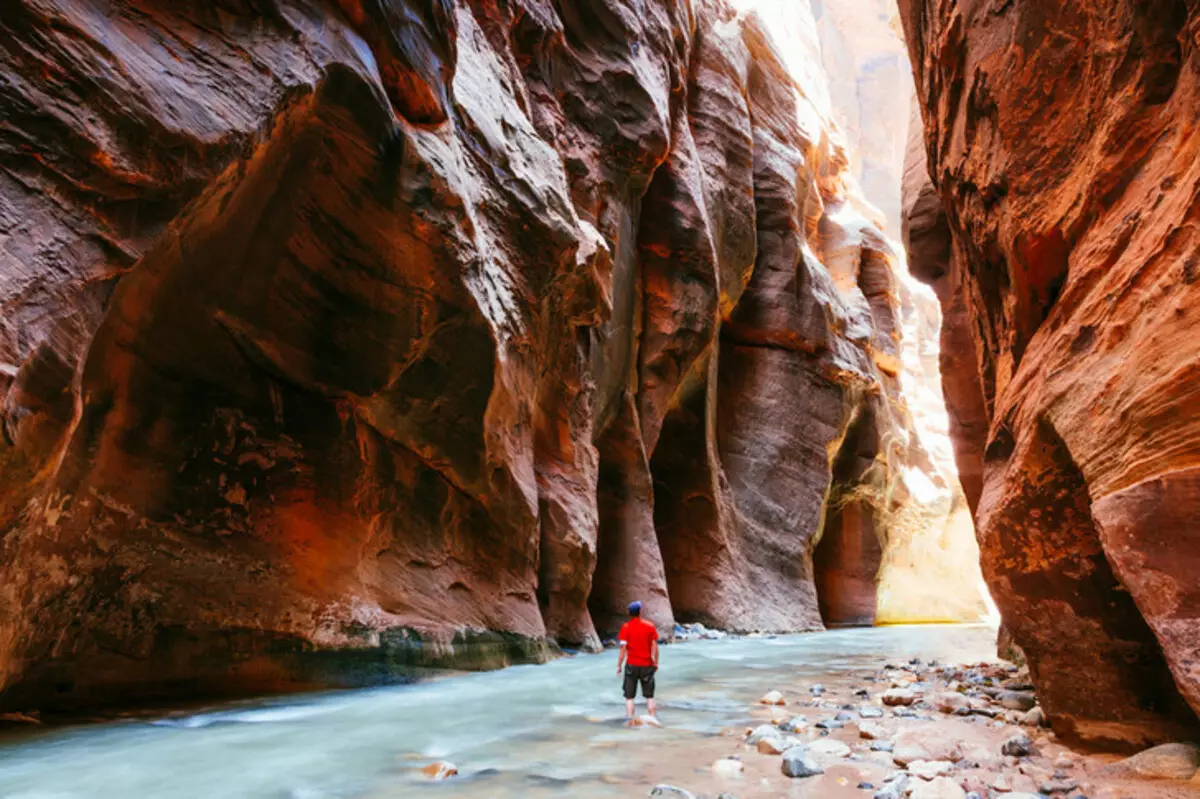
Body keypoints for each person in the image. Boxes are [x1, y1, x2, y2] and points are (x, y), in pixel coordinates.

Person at [616, 600, 658, 719]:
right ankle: (653, 720)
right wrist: (655, 662)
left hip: (631, 665)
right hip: (647, 664)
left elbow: (623, 648)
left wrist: (619, 665)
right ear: (640, 612)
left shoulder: (625, 627)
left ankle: (630, 721)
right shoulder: (650, 626)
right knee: (650, 696)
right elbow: (654, 646)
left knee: (629, 697)